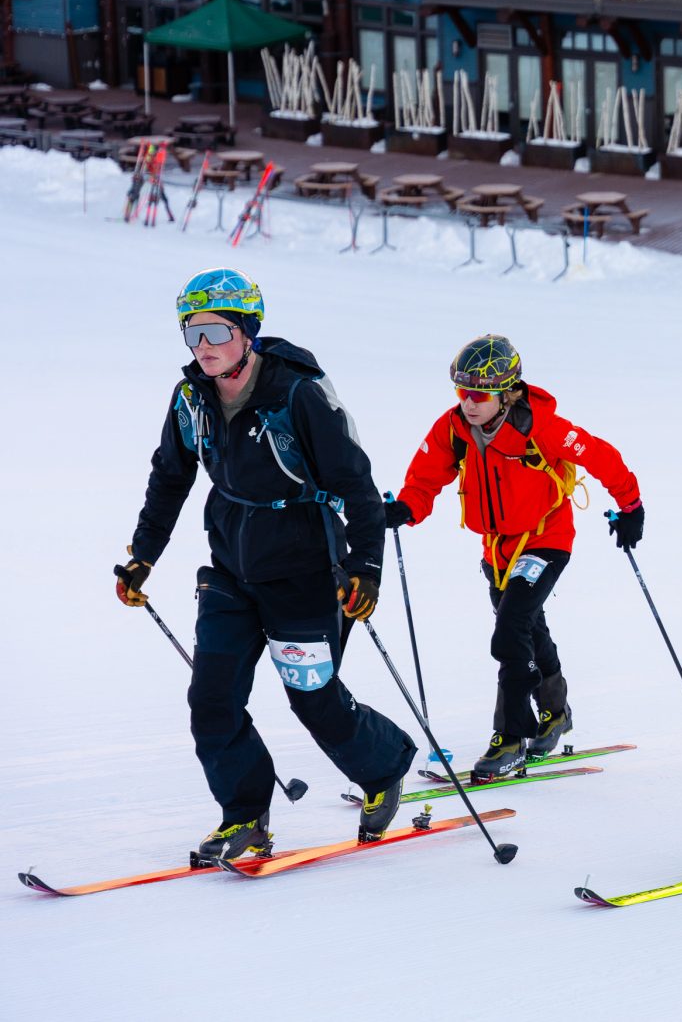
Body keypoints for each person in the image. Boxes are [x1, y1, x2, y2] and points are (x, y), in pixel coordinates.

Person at [123, 269, 415, 860]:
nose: (203, 347)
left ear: (247, 332)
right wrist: (143, 555)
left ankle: (384, 769)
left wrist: (366, 568)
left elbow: (355, 485)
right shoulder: (190, 399)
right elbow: (170, 477)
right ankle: (244, 815)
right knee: (212, 699)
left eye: (215, 331)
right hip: (230, 567)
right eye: (191, 333)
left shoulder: (297, 394)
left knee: (312, 698)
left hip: (306, 570)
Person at [386, 336, 644, 779]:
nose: (468, 403)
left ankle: (509, 736)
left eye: (479, 395)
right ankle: (557, 712)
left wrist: (631, 507)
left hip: (546, 539)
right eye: (461, 392)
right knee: (527, 627)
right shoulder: (454, 429)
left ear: (507, 393)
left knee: (509, 631)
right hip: (497, 548)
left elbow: (602, 456)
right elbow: (427, 474)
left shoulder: (542, 427)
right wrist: (407, 508)